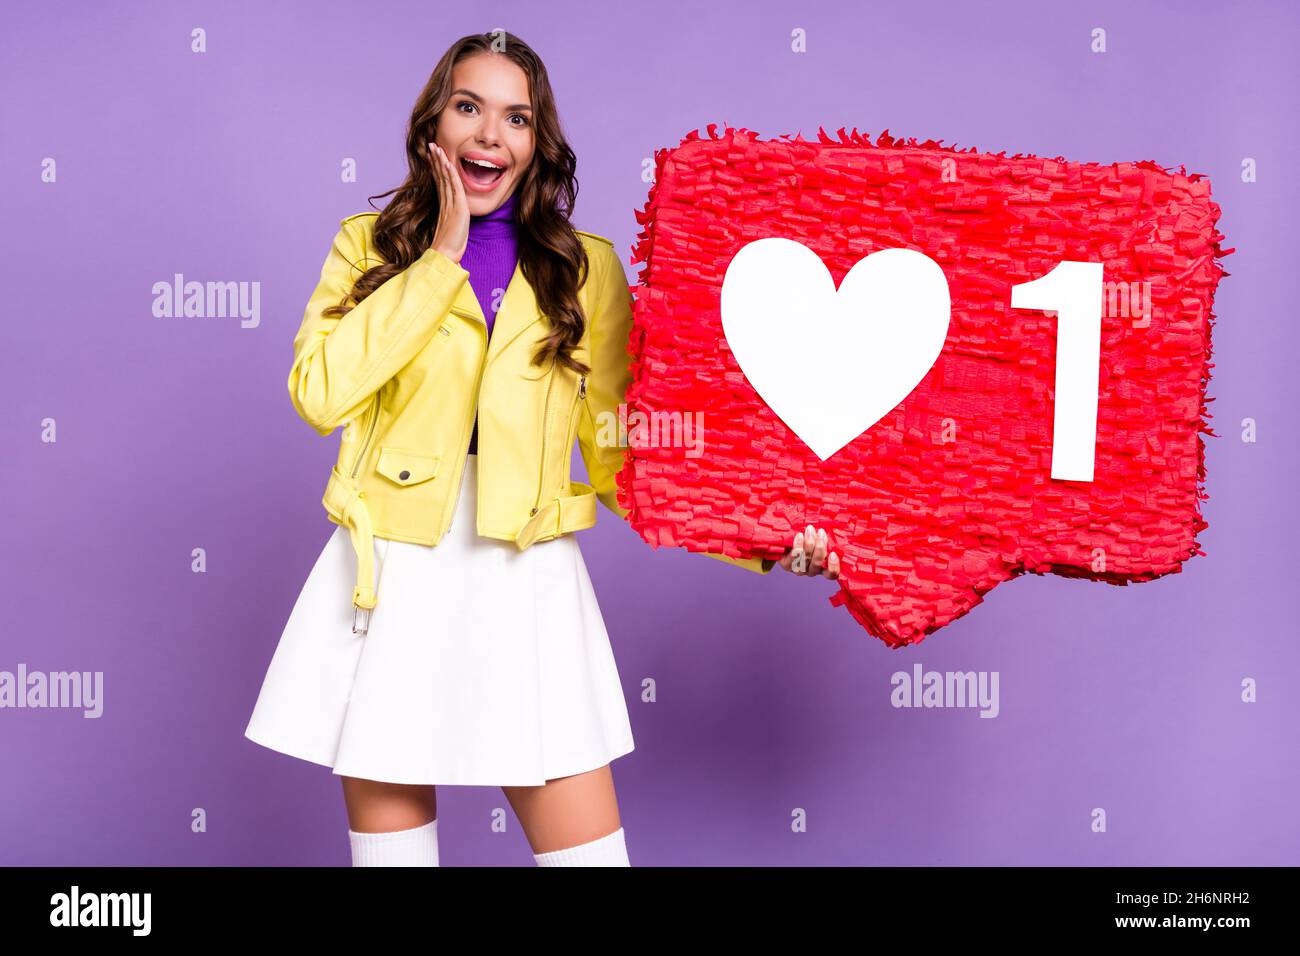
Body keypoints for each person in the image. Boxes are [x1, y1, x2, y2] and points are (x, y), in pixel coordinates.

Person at [244, 31, 839, 868]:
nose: (491, 134)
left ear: (536, 142)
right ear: (433, 128)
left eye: (516, 117)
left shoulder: (585, 269)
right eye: (468, 107)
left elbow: (624, 455)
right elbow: (320, 392)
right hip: (388, 581)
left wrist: (765, 541)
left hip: (527, 578)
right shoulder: (369, 247)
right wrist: (438, 261)